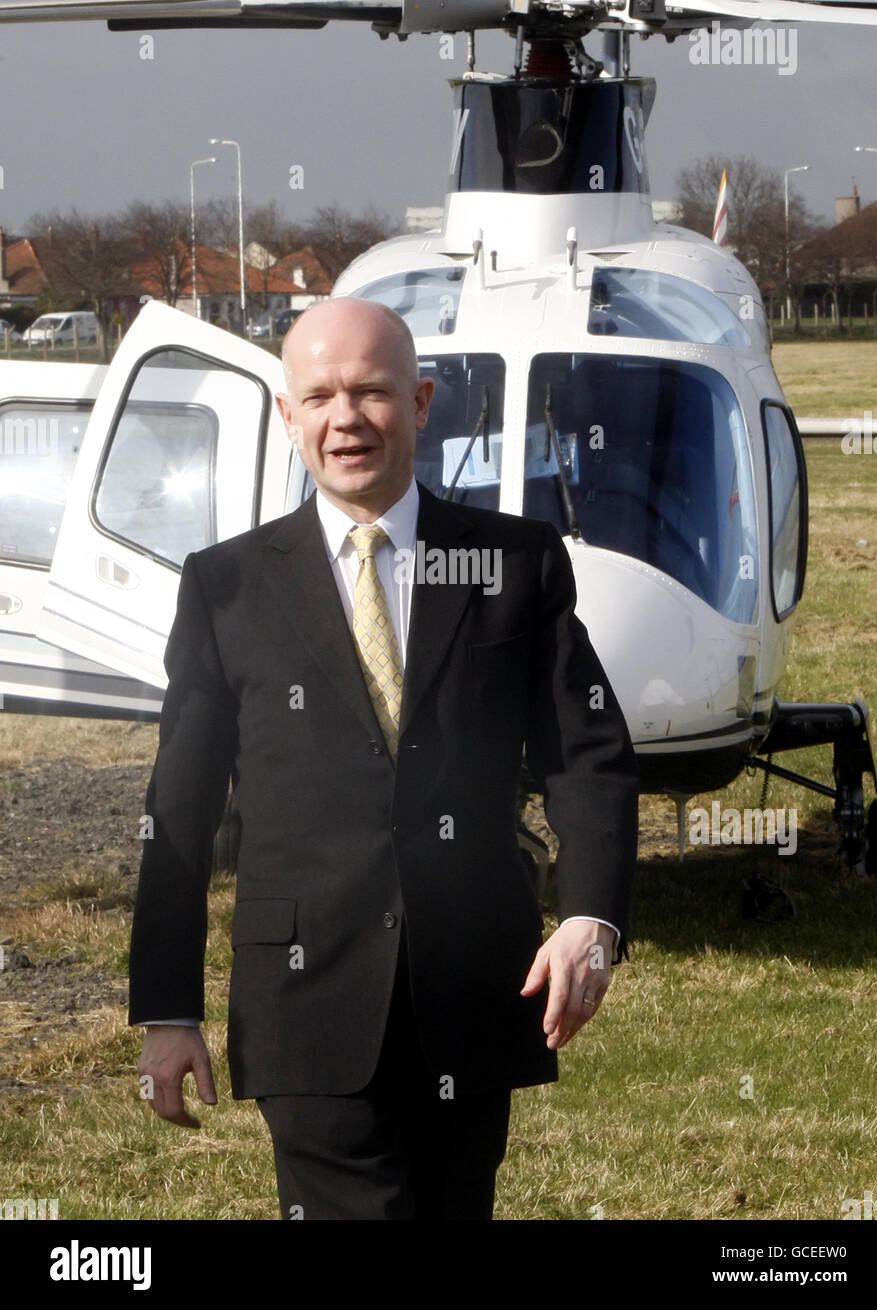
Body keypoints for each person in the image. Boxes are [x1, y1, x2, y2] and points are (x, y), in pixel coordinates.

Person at [130, 297, 639, 1221]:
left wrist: (591, 917)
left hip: (475, 989)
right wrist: (168, 1010)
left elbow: (588, 752)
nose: (344, 419)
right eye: (318, 396)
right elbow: (181, 808)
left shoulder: (511, 563)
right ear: (288, 417)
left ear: (422, 400)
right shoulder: (225, 585)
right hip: (305, 995)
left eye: (369, 392)